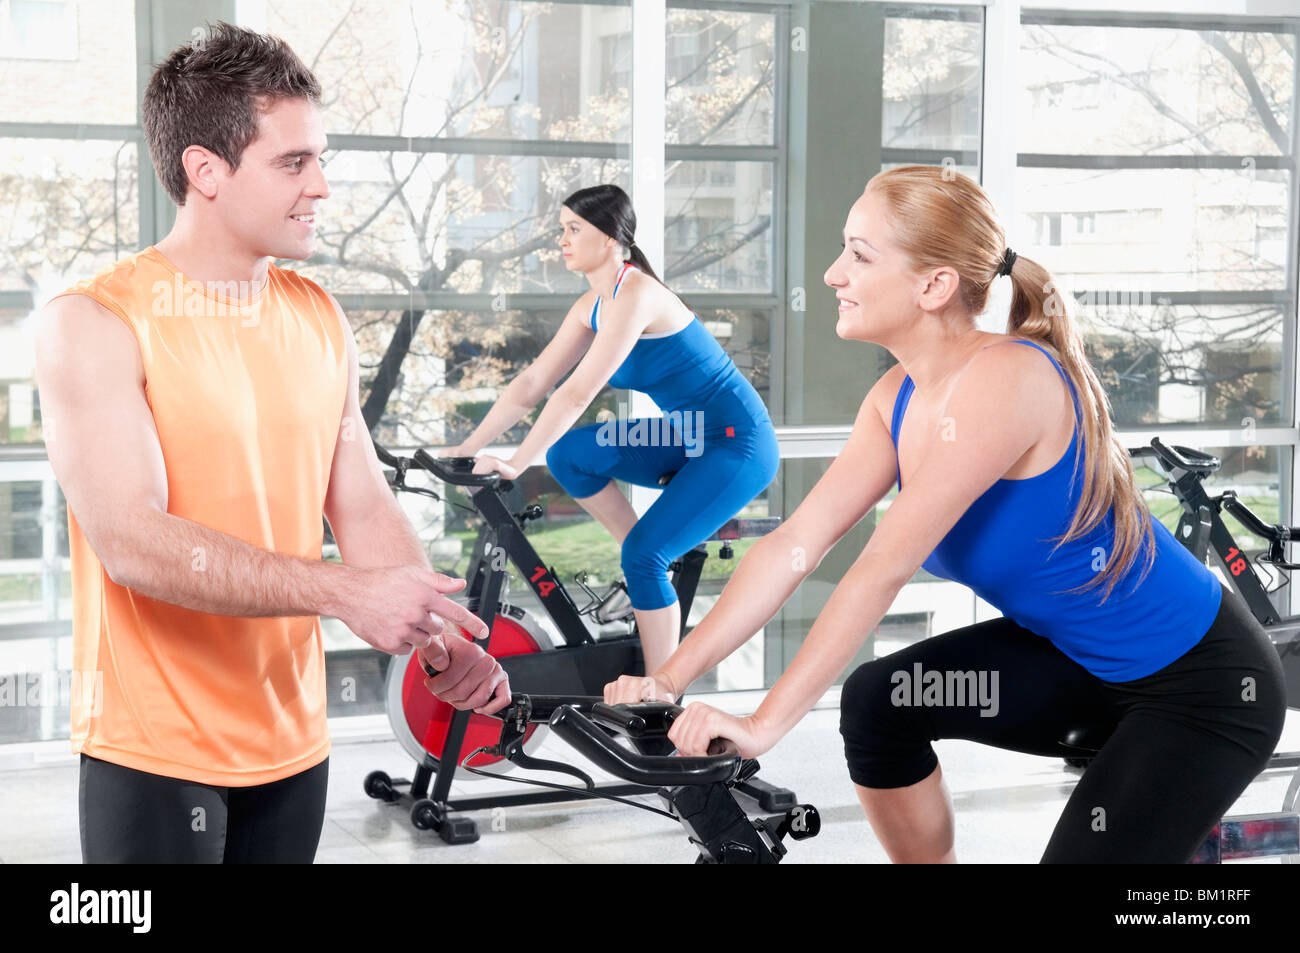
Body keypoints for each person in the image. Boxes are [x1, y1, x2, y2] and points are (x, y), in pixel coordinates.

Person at [606, 165, 1288, 863]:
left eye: (860, 255)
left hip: (1201, 687)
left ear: (934, 285)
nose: (834, 274)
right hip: (1084, 666)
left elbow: (880, 569)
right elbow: (794, 546)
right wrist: (669, 676)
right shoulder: (895, 399)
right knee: (881, 700)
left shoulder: (1009, 377)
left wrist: (761, 722)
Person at [33, 22, 507, 864]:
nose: (321, 186)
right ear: (204, 171)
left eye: (320, 158)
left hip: (293, 742)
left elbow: (360, 502)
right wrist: (341, 593)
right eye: (293, 163)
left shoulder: (317, 316)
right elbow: (131, 542)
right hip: (156, 751)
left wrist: (438, 637)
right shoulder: (97, 322)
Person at [441, 184, 779, 675]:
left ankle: (663, 696)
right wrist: (468, 448)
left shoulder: (638, 293)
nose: (562, 239)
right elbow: (533, 382)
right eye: (562, 229)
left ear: (609, 237)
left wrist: (516, 461)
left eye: (573, 229)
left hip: (737, 443)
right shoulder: (591, 305)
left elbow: (576, 394)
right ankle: (644, 563)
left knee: (643, 557)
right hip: (683, 435)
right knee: (571, 456)